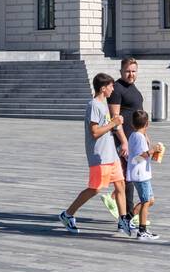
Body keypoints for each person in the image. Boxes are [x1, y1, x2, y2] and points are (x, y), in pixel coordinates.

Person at [59, 73, 130, 236]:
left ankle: (123, 219)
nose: (113, 89)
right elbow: (95, 132)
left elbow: (105, 128)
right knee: (95, 189)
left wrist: (115, 125)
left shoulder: (103, 105)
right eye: (111, 86)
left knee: (120, 185)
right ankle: (67, 214)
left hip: (111, 154)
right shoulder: (94, 105)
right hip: (99, 156)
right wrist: (113, 123)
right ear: (103, 88)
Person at [107, 57, 144, 226]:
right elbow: (115, 118)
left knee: (130, 177)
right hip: (124, 140)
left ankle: (116, 200)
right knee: (128, 179)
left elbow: (139, 116)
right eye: (128, 71)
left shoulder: (133, 88)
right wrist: (123, 142)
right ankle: (128, 216)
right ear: (121, 71)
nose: (131, 74)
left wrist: (144, 136)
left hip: (135, 139)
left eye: (133, 71)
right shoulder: (117, 89)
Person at [126, 109, 161, 241]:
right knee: (146, 201)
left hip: (141, 174)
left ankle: (128, 218)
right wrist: (152, 151)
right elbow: (137, 158)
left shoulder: (135, 135)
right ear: (147, 123)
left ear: (132, 124)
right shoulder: (139, 138)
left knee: (150, 200)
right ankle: (142, 230)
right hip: (141, 175)